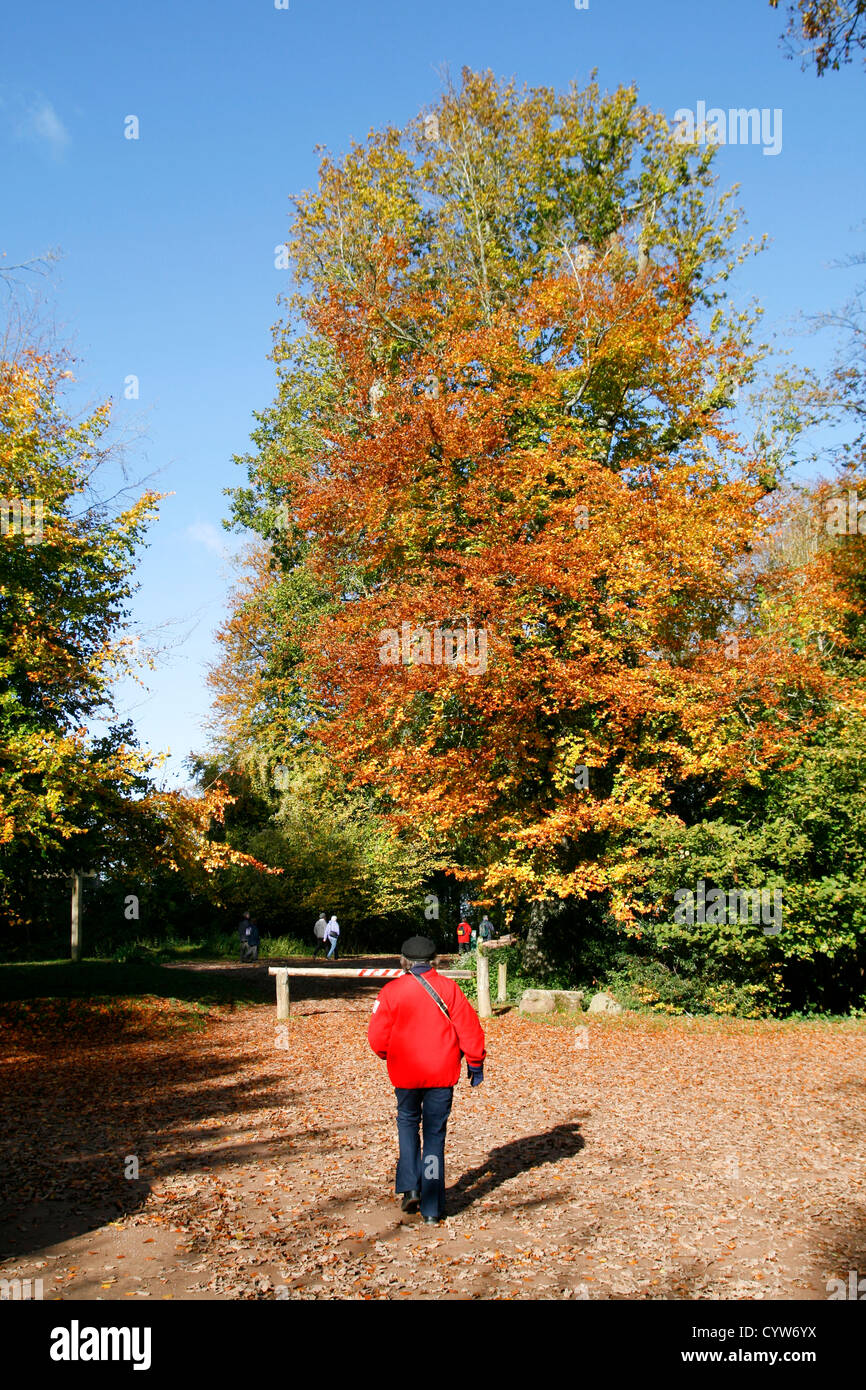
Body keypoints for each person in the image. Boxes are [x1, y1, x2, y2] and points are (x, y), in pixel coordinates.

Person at [367, 935, 486, 1224]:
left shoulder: (391, 991)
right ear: (434, 960)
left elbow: (377, 1037)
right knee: (434, 1136)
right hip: (441, 1074)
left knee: (407, 1124)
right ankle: (432, 1207)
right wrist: (475, 1062)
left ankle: (410, 1186)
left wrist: (389, 1054)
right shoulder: (450, 989)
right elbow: (469, 1028)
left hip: (405, 1072)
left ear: (404, 961)